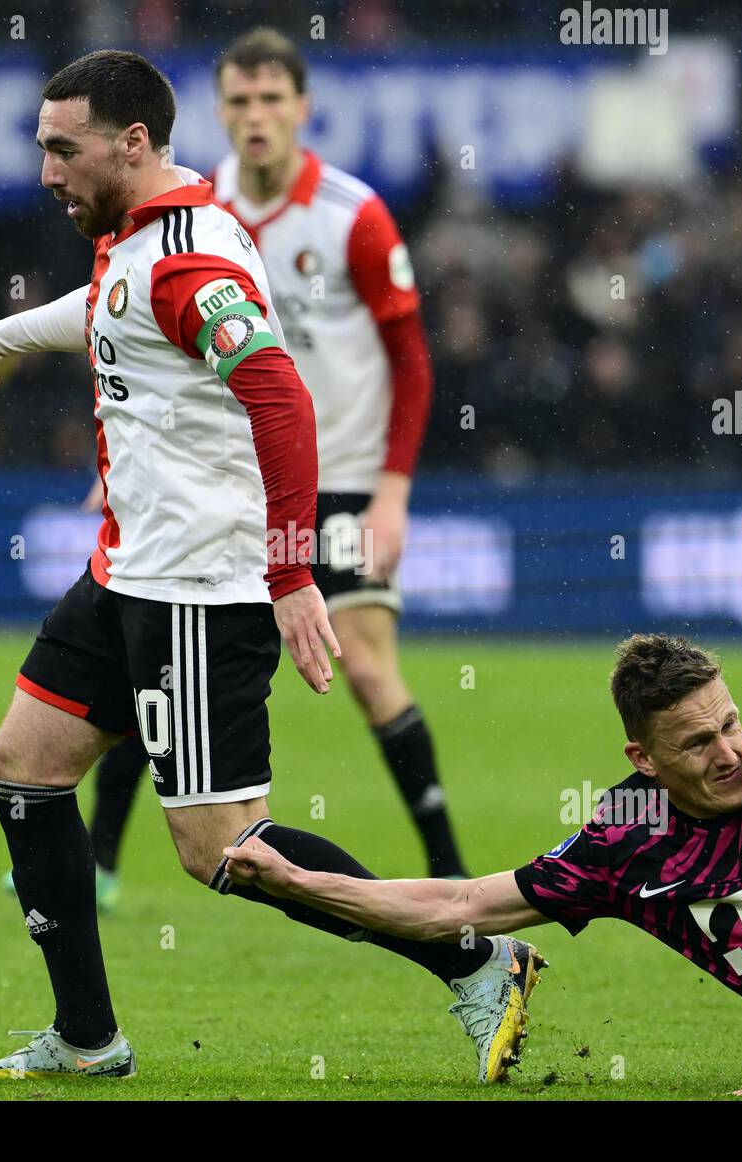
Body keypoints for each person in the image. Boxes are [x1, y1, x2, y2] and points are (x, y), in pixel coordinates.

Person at [0, 49, 537, 1085]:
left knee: (224, 849)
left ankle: (477, 956)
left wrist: (292, 567)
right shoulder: (142, 237)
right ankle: (86, 1038)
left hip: (199, 593)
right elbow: (103, 312)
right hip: (128, 573)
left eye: (61, 149)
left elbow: (278, 393)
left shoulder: (189, 262)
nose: (46, 171)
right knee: (23, 768)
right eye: (42, 149)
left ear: (131, 144)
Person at [72, 30, 469, 911]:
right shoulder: (196, 213)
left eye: (270, 100)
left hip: (347, 476)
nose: (254, 117)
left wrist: (395, 491)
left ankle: (446, 871)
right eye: (239, 102)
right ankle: (99, 860)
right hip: (226, 478)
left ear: (301, 107)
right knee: (163, 647)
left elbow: (410, 358)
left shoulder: (352, 215)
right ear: (220, 111)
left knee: (365, 670)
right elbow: (133, 332)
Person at [224, 632, 742, 1092]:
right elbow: (461, 908)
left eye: (731, 723)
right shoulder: (626, 837)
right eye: (697, 744)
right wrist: (301, 883)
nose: (730, 753)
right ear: (642, 759)